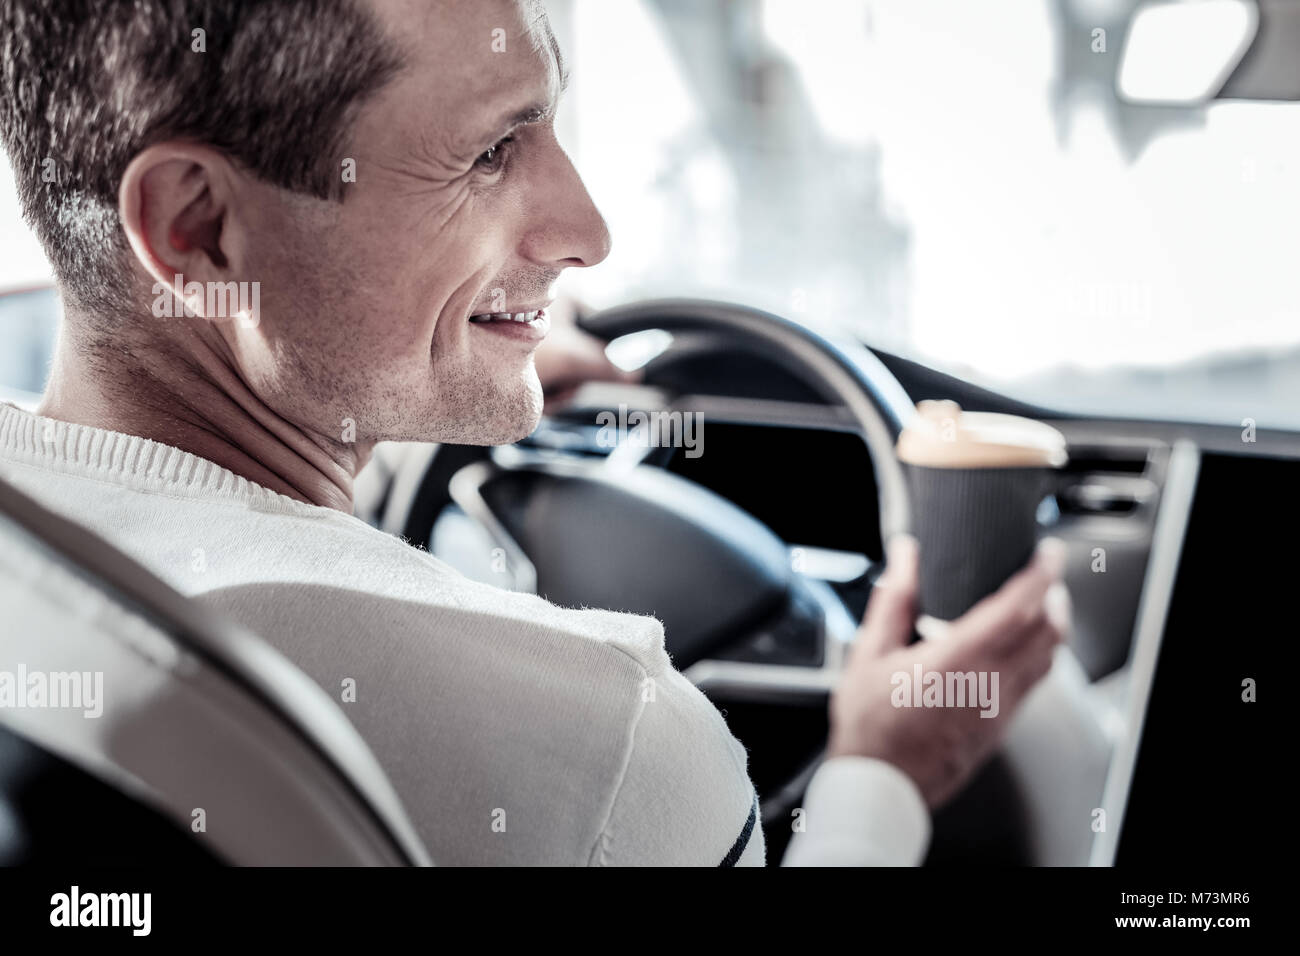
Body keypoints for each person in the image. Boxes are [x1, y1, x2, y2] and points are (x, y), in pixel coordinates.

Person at [0, 0, 1067, 865]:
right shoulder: (605, 737)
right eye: (491, 151)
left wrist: (431, 391)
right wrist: (882, 770)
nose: (589, 232)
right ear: (198, 226)